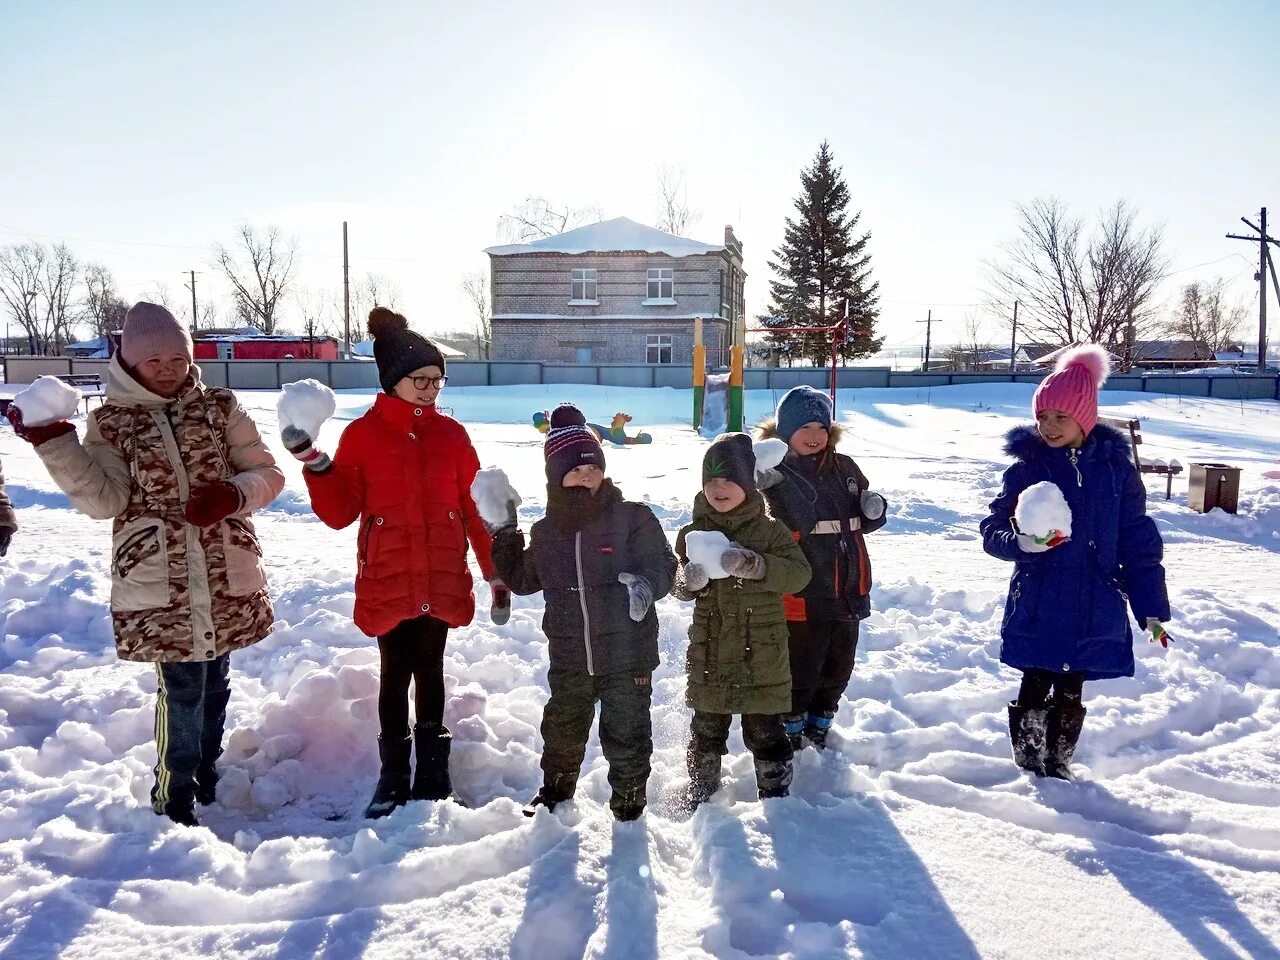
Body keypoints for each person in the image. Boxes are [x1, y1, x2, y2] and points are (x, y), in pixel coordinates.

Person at [7, 302, 283, 825]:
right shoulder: (112, 423)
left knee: (216, 677)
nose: (168, 369)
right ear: (130, 362)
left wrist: (231, 495)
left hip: (225, 566)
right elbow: (103, 501)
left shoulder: (220, 408)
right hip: (160, 576)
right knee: (180, 687)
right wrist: (55, 443)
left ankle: (206, 771)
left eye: (178, 358)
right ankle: (173, 792)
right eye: (154, 360)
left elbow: (266, 474)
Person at [283, 307, 503, 817]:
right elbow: (340, 512)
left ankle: (432, 771)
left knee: (432, 669)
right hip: (388, 572)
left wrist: (493, 568)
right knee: (393, 673)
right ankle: (392, 774)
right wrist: (315, 464)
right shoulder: (362, 436)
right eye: (420, 380)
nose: (430, 389)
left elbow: (474, 507)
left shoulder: (452, 437)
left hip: (442, 567)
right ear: (393, 381)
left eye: (437, 381)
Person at [980, 345, 1171, 779]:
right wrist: (1020, 543)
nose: (1048, 426)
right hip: (1040, 597)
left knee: (1071, 685)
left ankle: (1059, 761)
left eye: (1060, 417)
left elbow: (1138, 540)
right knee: (1036, 677)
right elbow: (993, 526)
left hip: (1095, 599)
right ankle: (1029, 763)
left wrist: (1152, 611)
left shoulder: (1116, 471)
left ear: (1084, 418)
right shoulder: (1028, 469)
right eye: (1042, 417)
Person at [489, 403, 676, 820]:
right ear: (556, 477)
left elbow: (664, 564)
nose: (586, 476)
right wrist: (504, 533)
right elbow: (522, 578)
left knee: (627, 731)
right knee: (562, 728)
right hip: (571, 655)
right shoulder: (547, 532)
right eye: (575, 470)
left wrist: (647, 584)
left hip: (628, 655)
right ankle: (556, 792)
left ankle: (629, 800)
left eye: (593, 468)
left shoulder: (633, 518)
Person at [673, 432, 811, 809]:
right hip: (711, 649)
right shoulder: (692, 533)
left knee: (765, 729)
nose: (719, 488)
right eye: (711, 480)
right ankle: (701, 793)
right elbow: (679, 581)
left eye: (729, 479)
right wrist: (689, 582)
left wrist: (756, 565)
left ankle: (776, 797)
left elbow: (800, 574)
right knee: (705, 729)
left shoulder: (769, 531)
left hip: (761, 652)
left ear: (748, 484)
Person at [757, 386, 888, 750]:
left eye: (821, 428)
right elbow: (780, 522)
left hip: (849, 584)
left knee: (838, 663)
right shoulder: (773, 471)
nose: (815, 437)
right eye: (805, 428)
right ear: (785, 432)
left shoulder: (844, 467)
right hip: (803, 589)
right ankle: (792, 726)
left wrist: (874, 509)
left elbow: (863, 510)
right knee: (803, 664)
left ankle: (822, 721)